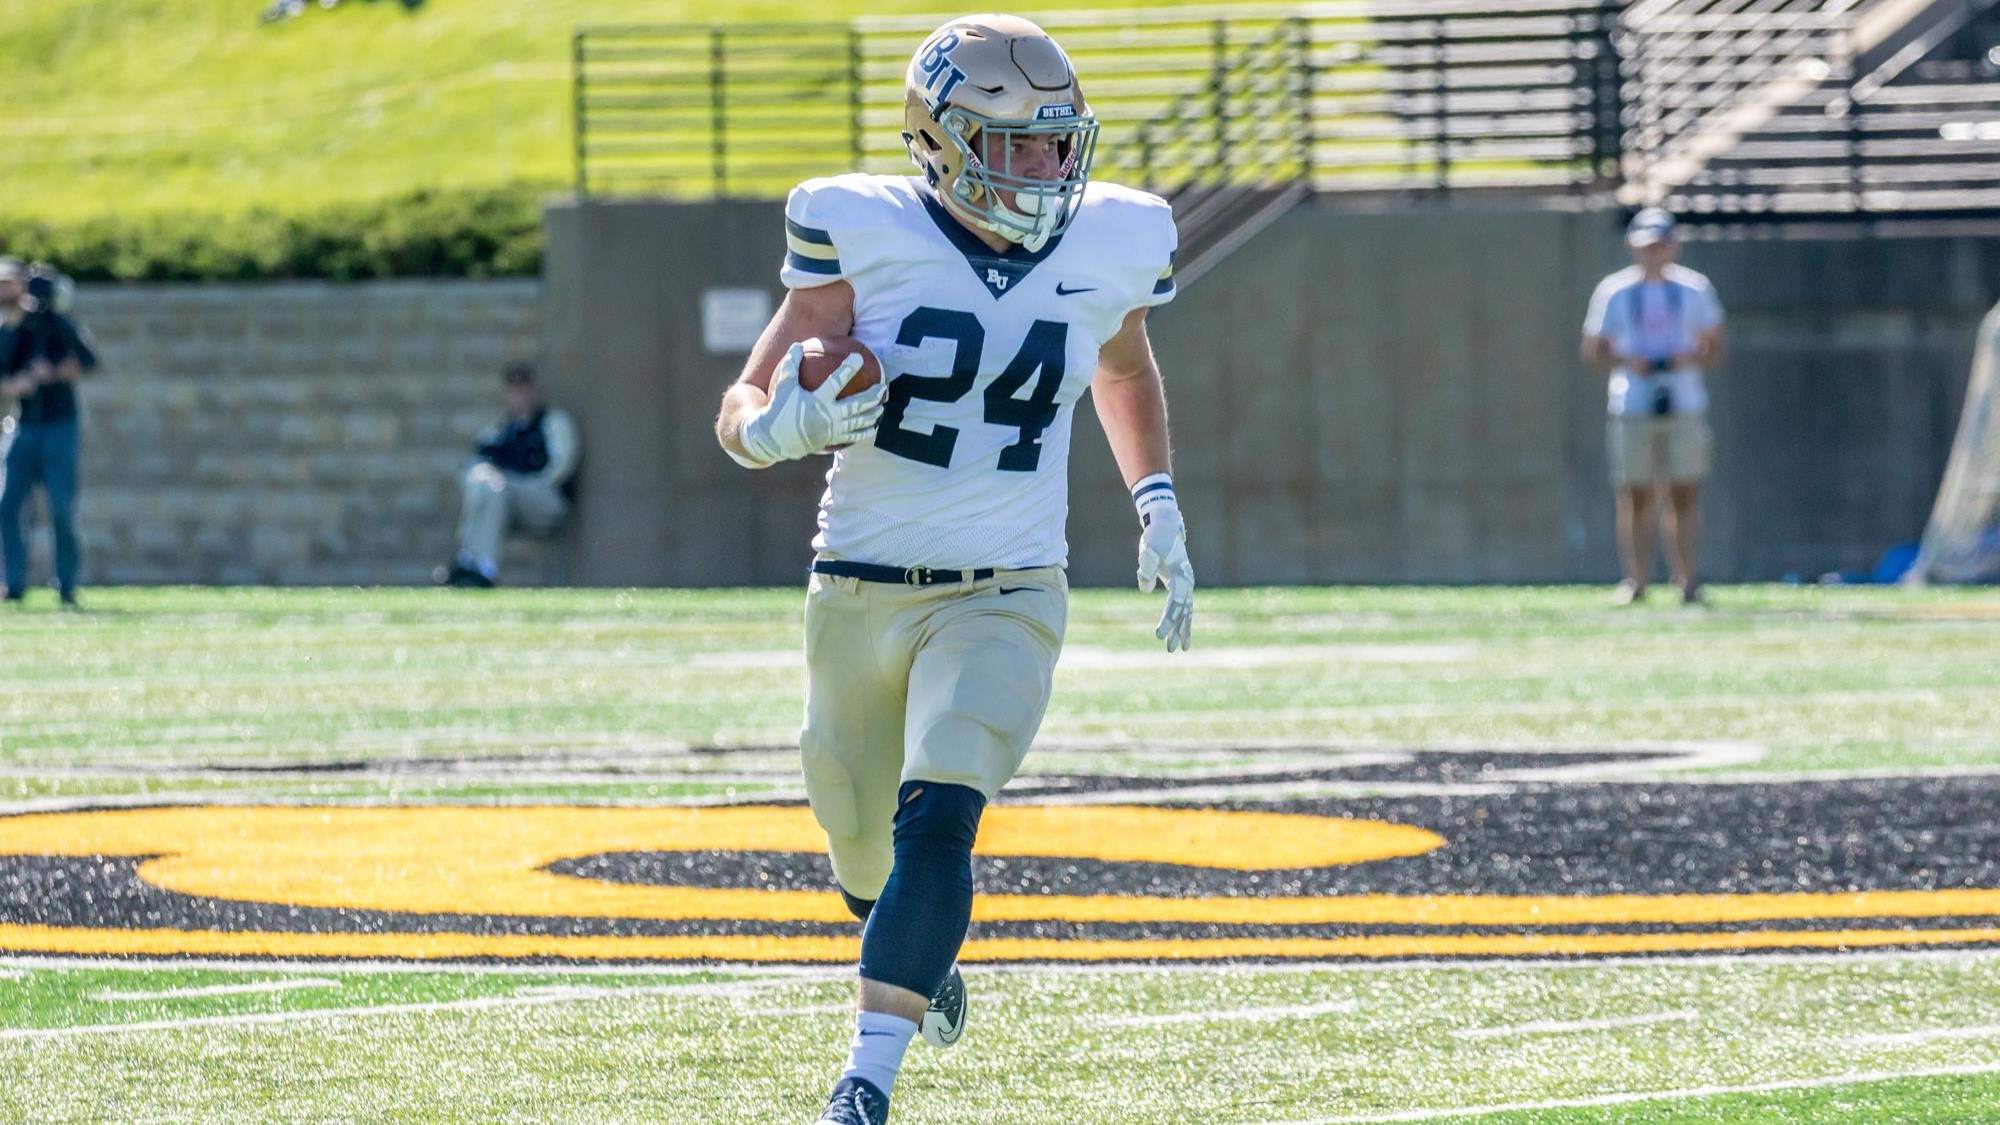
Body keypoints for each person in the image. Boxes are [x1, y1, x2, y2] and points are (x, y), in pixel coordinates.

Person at [712, 14, 1194, 1124]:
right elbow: (740, 405)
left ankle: (864, 1082)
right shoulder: (857, 225)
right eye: (1012, 142)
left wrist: (1154, 497)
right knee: (853, 826)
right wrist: (771, 431)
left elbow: (1122, 367)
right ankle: (909, 941)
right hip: (857, 579)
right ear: (935, 139)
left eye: (1057, 141)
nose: (1044, 166)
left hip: (1008, 588)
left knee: (941, 810)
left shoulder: (1116, 235)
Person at [1582, 208, 1726, 606]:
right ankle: (1636, 580)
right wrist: (1632, 361)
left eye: (1661, 245)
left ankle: (1688, 579)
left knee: (1684, 492)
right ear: (1633, 246)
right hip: (1633, 402)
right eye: (1647, 246)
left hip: (1684, 401)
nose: (1654, 253)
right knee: (1635, 494)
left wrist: (1686, 358)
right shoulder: (1614, 291)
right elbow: (1594, 350)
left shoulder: (1695, 289)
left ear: (1674, 246)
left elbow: (1715, 348)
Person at [0, 260, 101, 608]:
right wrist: (20, 383)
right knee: (8, 503)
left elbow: (89, 360)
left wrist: (54, 372)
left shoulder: (59, 324)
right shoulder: (14, 328)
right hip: (23, 425)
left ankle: (67, 585)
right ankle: (13, 583)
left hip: (60, 426)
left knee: (61, 506)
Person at [434, 362, 579, 588]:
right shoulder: (499, 432)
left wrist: (514, 484)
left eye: (525, 387)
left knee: (496, 487)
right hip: (504, 500)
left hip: (546, 499)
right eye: (515, 389)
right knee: (488, 486)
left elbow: (561, 467)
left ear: (535, 390)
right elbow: (471, 468)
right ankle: (471, 563)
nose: (521, 394)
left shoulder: (552, 422)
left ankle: (483, 567)